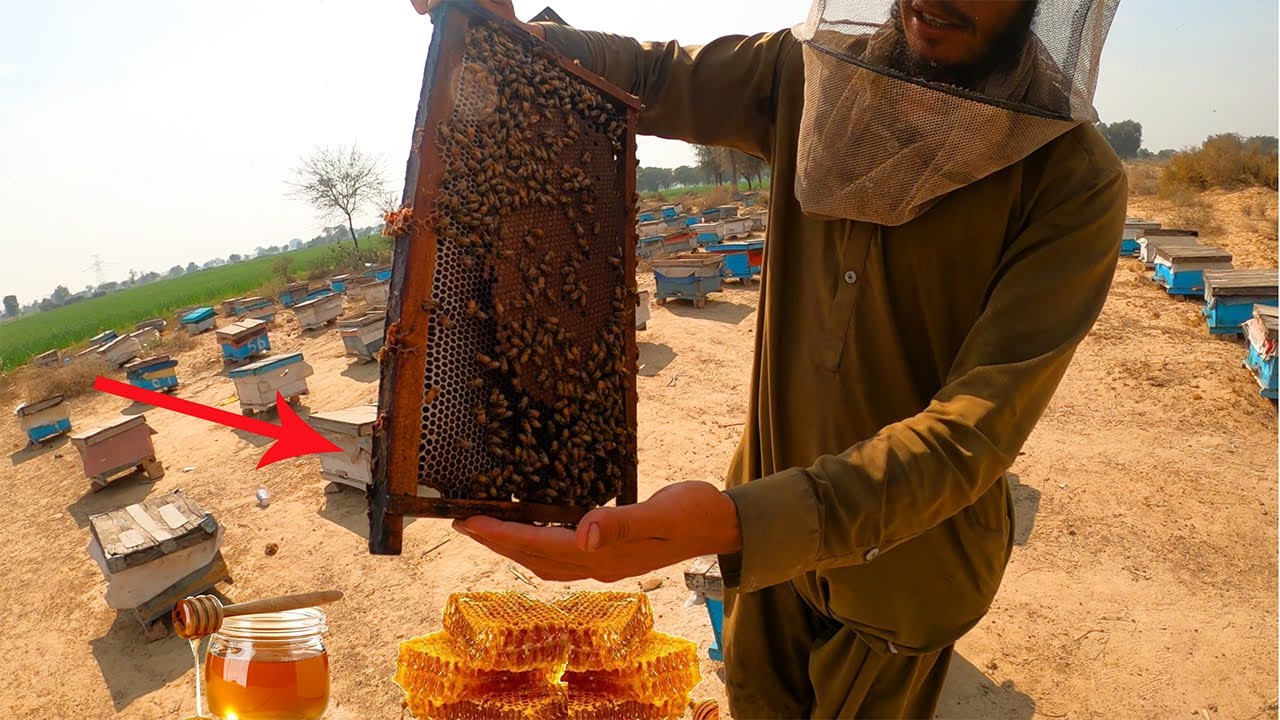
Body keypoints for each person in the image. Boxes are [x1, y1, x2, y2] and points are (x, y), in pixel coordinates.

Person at [412, 1, 1125, 717]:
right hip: (763, 564)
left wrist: (734, 524)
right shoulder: (804, 72)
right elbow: (655, 75)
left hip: (902, 578)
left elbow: (969, 433)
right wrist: (513, 38)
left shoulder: (1072, 178)